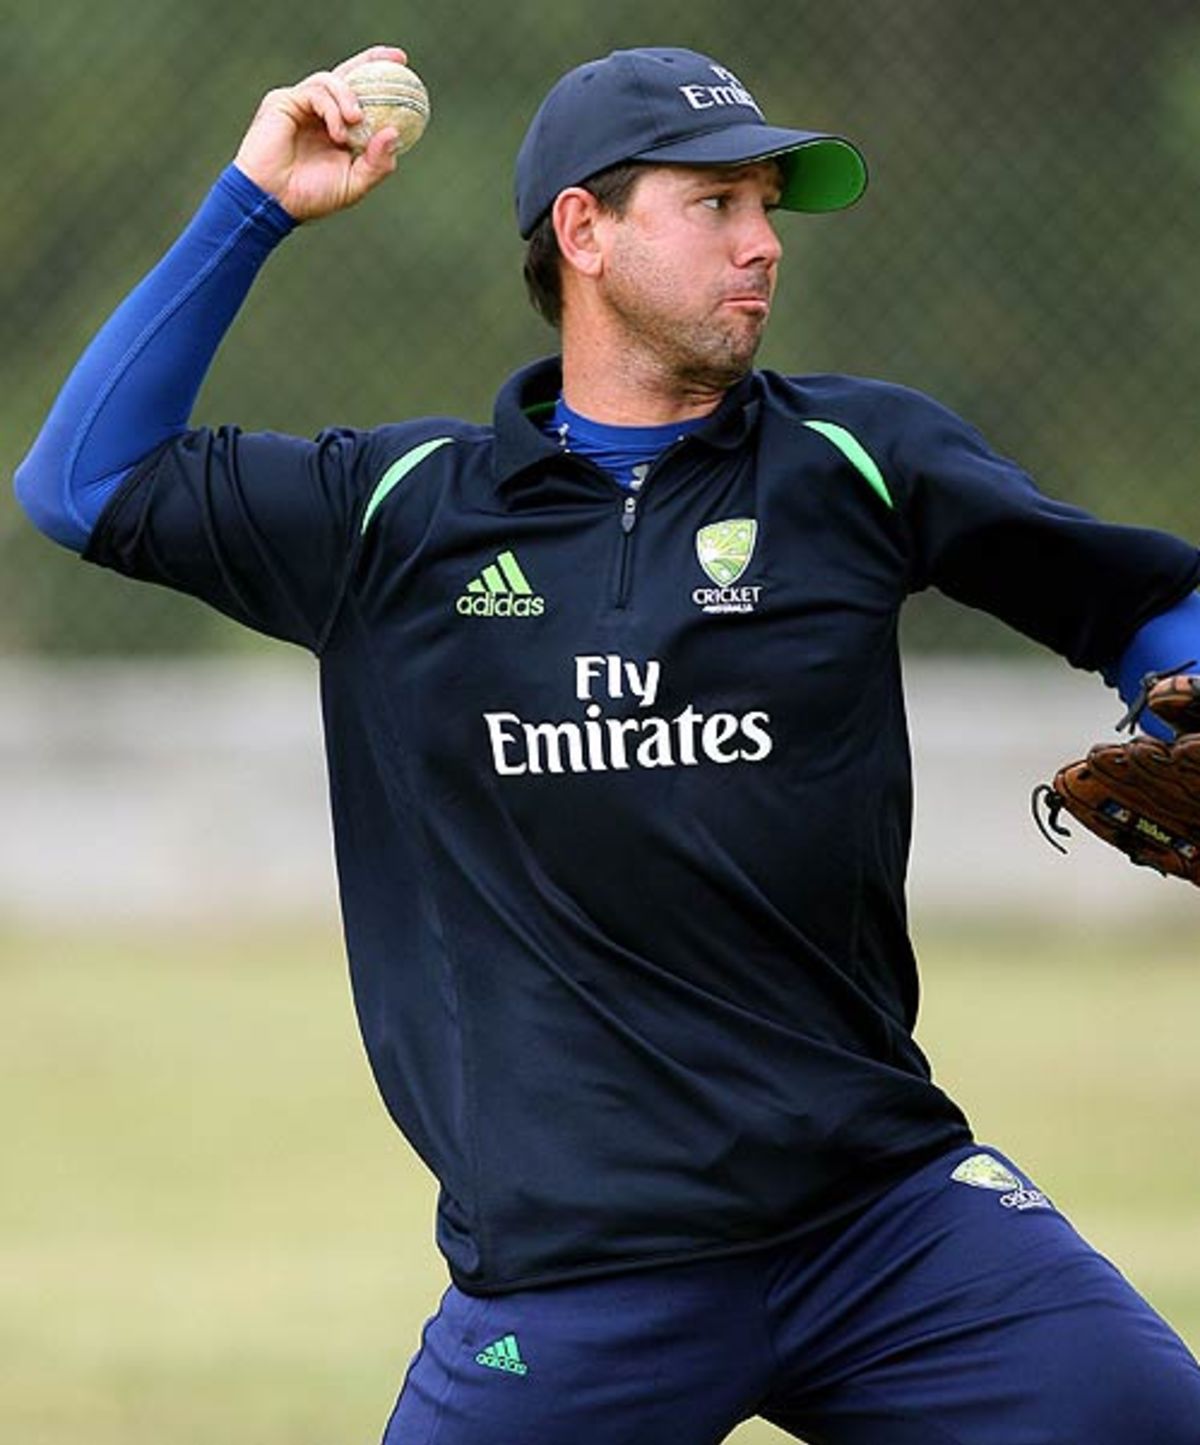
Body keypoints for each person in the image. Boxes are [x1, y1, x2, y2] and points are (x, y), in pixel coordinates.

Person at [15, 40, 1200, 1445]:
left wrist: (1177, 676)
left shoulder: (857, 461)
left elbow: (1145, 600)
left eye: (769, 204)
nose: (764, 243)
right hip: (577, 1274)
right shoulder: (393, 515)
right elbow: (82, 481)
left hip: (880, 1218)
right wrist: (252, 204)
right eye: (716, 204)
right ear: (584, 230)